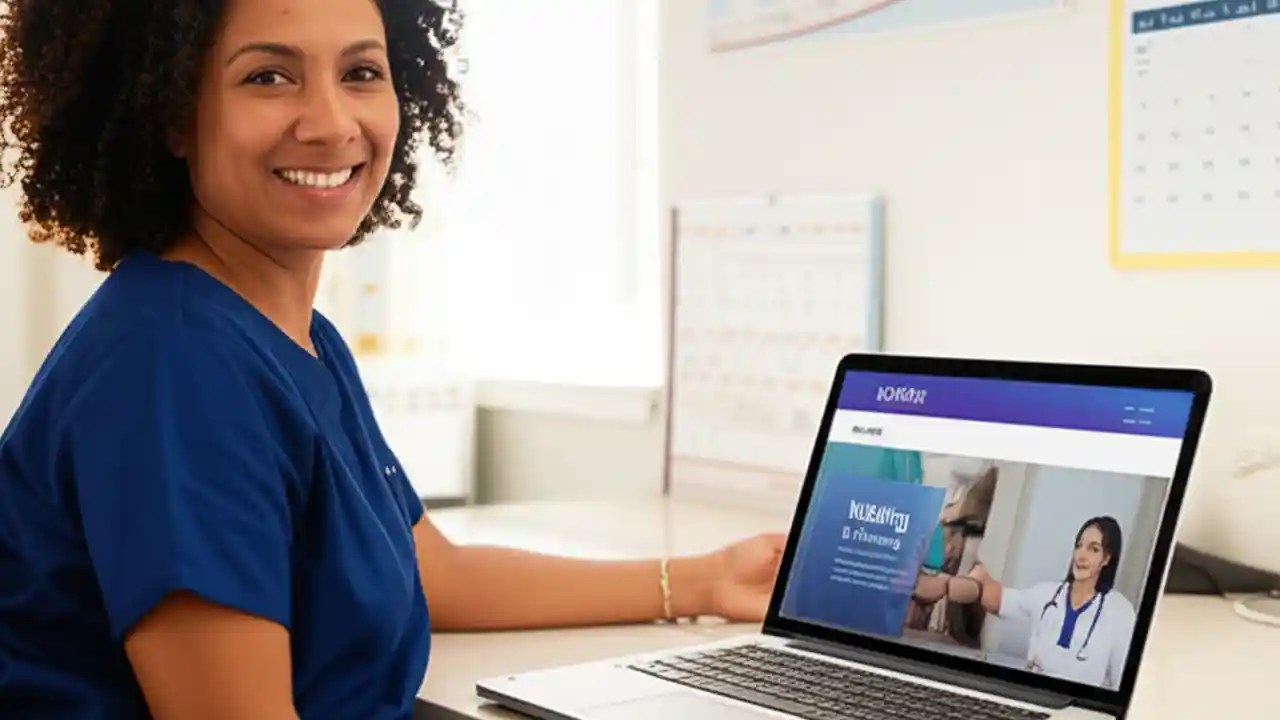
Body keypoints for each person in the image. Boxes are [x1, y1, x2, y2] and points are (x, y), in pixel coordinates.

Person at [0, 1, 786, 718]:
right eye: (268, 77)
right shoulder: (176, 367)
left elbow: (432, 573)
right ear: (173, 113)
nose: (331, 122)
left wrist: (703, 579)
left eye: (361, 73)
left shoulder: (292, 336)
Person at [933, 516, 1138, 690]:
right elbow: (996, 600)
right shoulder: (1047, 594)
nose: (1082, 556)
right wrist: (978, 577)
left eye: (1093, 549)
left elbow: (1122, 685)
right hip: (1036, 696)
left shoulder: (1120, 612)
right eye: (1079, 546)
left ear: (1106, 558)